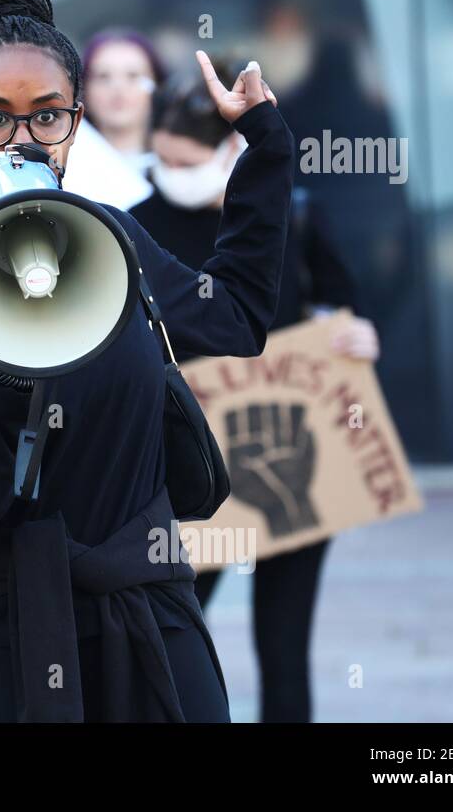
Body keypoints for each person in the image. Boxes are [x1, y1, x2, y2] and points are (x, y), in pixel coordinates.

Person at [0, 0, 295, 722]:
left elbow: (232, 320)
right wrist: (10, 379)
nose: (23, 141)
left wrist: (263, 148)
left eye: (46, 117)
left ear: (75, 122)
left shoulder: (116, 243)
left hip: (149, 627)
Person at [131, 63, 380, 722]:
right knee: (178, 630)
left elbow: (342, 302)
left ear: (226, 154)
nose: (173, 175)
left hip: (290, 451)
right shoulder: (136, 227)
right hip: (196, 465)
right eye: (163, 161)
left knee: (285, 642)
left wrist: (356, 334)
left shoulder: (285, 217)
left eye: (187, 161)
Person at [61, 28, 166, 211]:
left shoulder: (182, 163)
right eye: (103, 77)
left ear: (158, 85)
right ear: (84, 89)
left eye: (133, 75)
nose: (118, 88)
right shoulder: (63, 165)